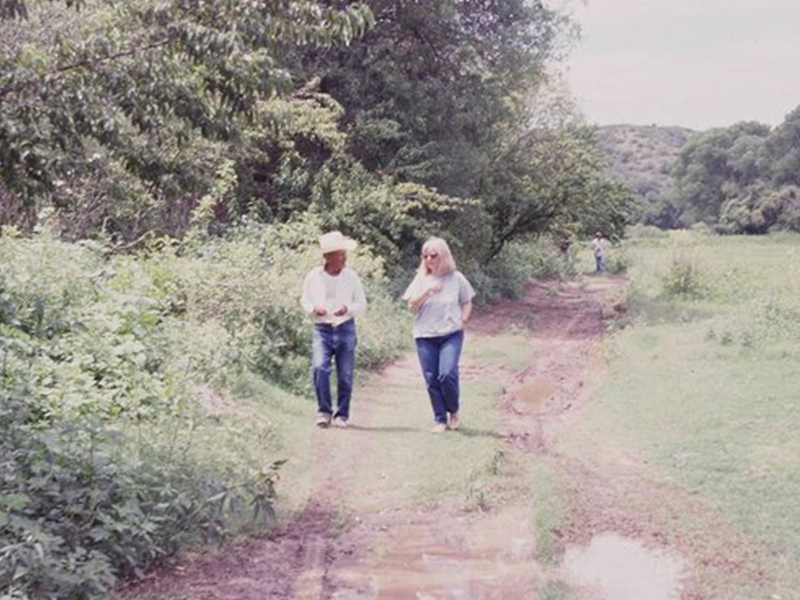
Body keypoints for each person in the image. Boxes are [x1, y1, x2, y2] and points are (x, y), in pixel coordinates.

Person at [402, 237, 475, 433]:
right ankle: (440, 418)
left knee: (447, 374)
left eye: (433, 255)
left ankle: (454, 410)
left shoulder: (456, 278)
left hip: (450, 333)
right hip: (425, 335)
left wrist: (464, 319)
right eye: (425, 256)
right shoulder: (420, 279)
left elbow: (467, 301)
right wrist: (427, 290)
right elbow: (411, 305)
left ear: (444, 256)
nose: (429, 259)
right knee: (431, 377)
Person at [300, 231, 367, 428]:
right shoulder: (313, 276)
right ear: (328, 257)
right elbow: (305, 299)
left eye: (344, 254)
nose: (344, 257)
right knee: (320, 367)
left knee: (345, 374)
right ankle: (324, 412)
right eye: (340, 254)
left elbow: (361, 303)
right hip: (322, 328)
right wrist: (314, 308)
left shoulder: (352, 277)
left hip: (345, 327)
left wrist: (348, 309)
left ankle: (342, 415)